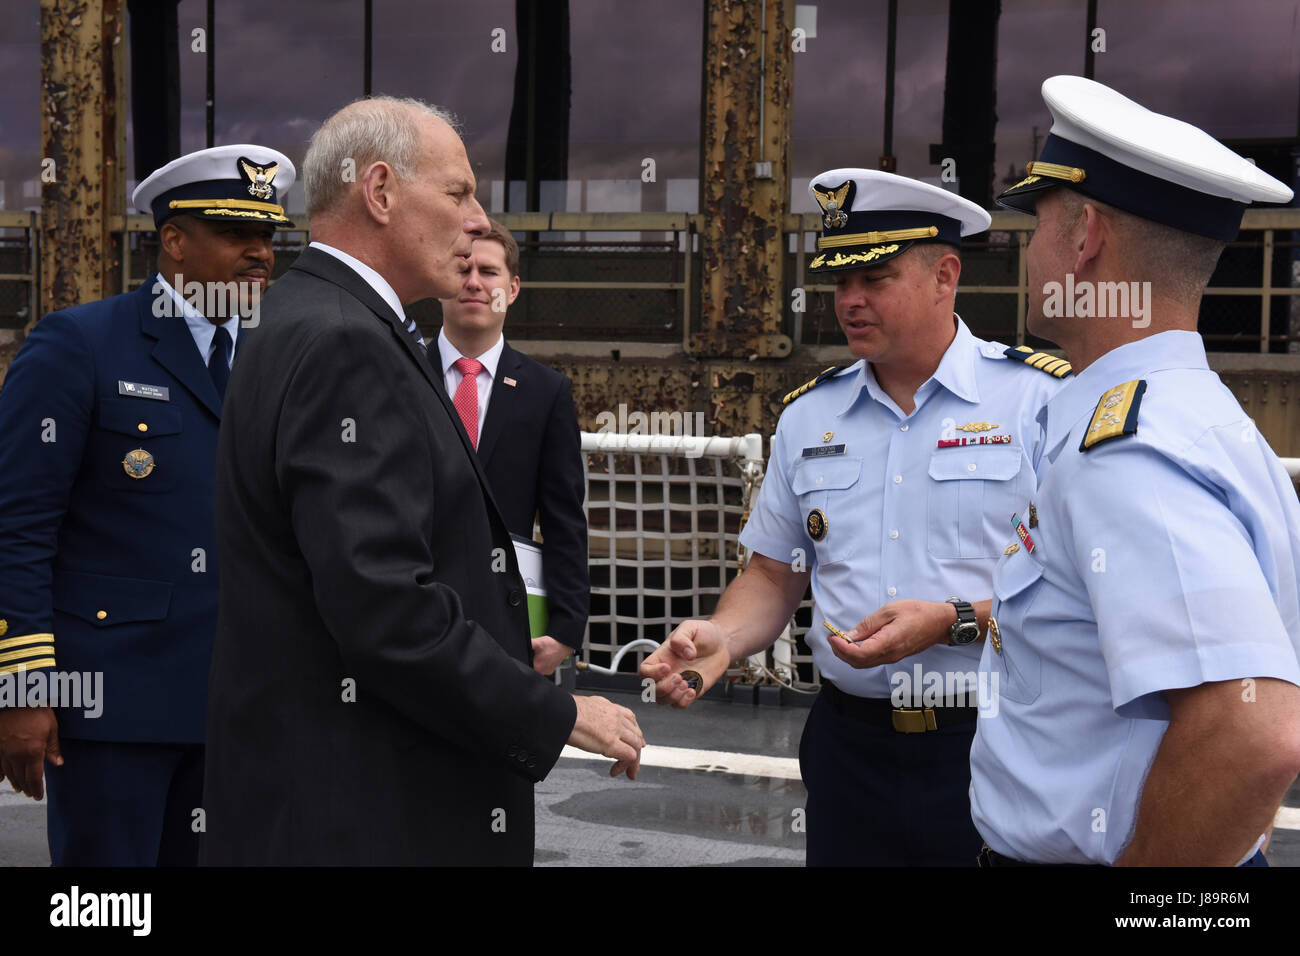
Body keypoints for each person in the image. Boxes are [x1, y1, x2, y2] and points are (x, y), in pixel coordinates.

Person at [201, 96, 643, 866]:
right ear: (379, 192)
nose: (478, 219)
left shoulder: (306, 316)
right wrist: (551, 709)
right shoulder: (348, 344)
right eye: (458, 192)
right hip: (370, 813)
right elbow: (387, 612)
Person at [640, 168, 1068, 865]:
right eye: (840, 282)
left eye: (875, 278)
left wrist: (955, 620)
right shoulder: (811, 414)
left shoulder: (1038, 403)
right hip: (849, 753)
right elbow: (774, 574)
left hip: (995, 741)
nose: (850, 300)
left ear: (945, 275)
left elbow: (1077, 588)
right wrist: (721, 635)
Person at [969, 75, 1300, 867]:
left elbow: (1254, 735)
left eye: (1040, 222)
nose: (1029, 249)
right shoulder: (1197, 418)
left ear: (1085, 237)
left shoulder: (1128, 453)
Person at [0, 144, 290, 864]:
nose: (259, 254)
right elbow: (18, 527)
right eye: (235, 236)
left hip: (245, 707)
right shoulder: (81, 345)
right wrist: (24, 687)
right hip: (114, 706)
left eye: (268, 237)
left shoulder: (277, 355)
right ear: (173, 242)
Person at [435, 220, 589, 676]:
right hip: (414, 613)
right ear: (440, 280)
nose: (474, 283)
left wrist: (564, 629)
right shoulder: (398, 373)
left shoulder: (546, 392)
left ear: (513, 287)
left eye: (489, 271)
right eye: (462, 269)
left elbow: (564, 518)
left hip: (508, 621)